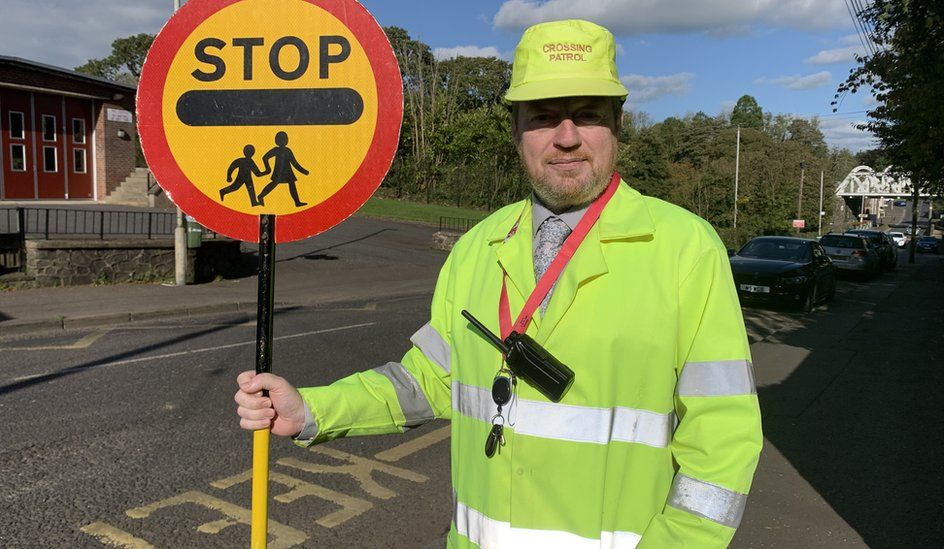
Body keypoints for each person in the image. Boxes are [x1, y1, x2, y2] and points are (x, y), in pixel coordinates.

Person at [236, 19, 762, 548]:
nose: (567, 137)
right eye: (542, 117)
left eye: (587, 115)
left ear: (617, 124)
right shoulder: (476, 248)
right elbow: (427, 380)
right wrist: (313, 409)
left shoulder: (685, 249)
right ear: (515, 130)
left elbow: (722, 439)